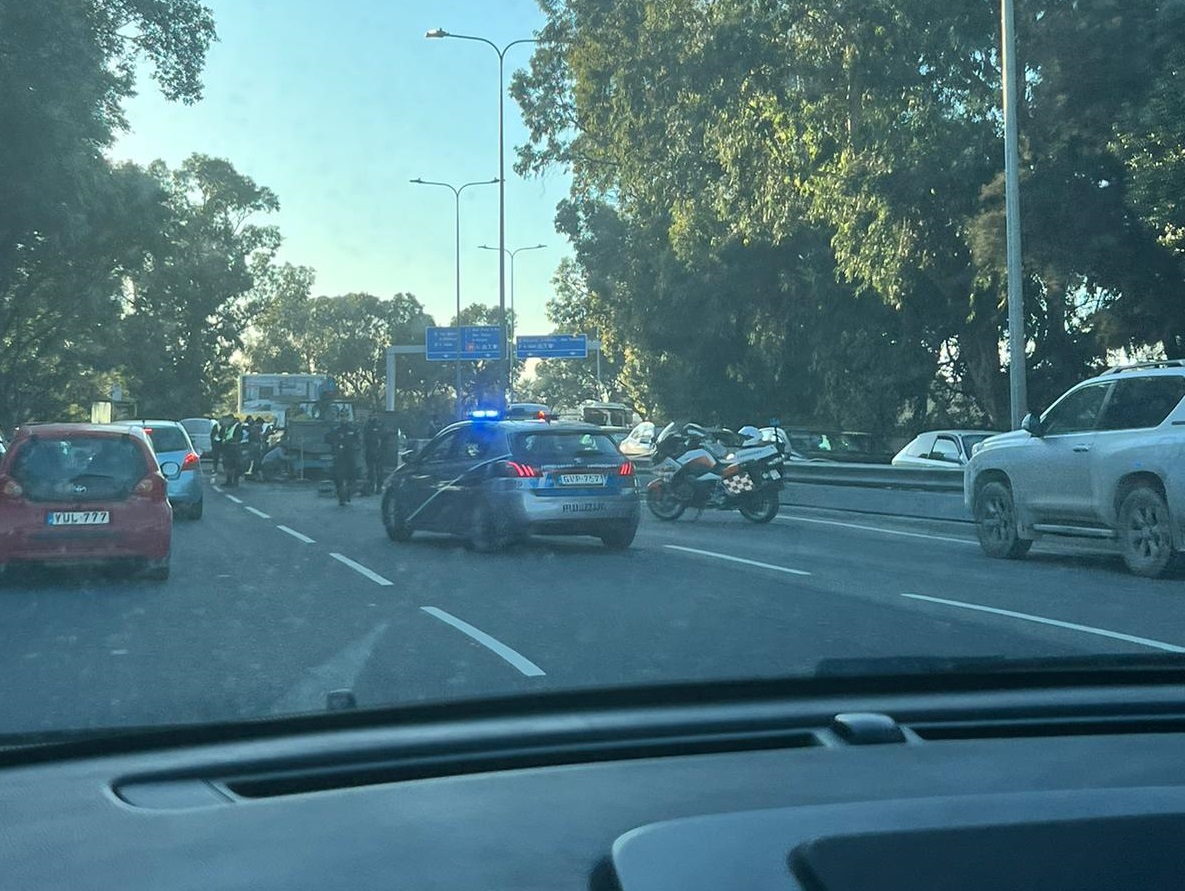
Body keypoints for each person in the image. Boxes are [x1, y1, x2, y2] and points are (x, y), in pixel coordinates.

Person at [325, 419, 360, 506]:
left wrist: (355, 446)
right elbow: (327, 438)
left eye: (345, 416)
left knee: (352, 476)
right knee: (338, 478)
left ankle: (348, 494)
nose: (344, 419)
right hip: (339, 457)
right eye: (342, 416)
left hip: (350, 456)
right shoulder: (336, 430)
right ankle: (341, 498)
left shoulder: (352, 430)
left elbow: (358, 441)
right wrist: (335, 443)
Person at [220, 414, 244, 487]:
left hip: (234, 449)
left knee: (235, 465)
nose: (224, 422)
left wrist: (230, 440)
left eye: (226, 420)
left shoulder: (237, 427)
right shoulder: (226, 427)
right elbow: (221, 435)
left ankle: (235, 481)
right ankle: (229, 481)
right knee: (227, 466)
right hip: (227, 449)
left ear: (230, 419)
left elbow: (239, 437)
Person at [362, 416, 383, 496]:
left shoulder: (369, 427)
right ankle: (374, 487)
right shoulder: (370, 427)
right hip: (373, 451)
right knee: (373, 470)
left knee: (375, 470)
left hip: (374, 451)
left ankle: (375, 487)